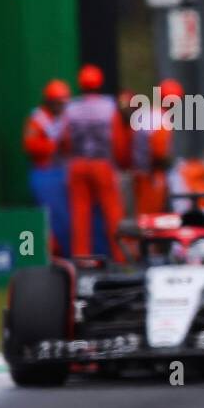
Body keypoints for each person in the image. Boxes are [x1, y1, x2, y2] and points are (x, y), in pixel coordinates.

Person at [63, 64, 128, 261]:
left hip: (78, 163)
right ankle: (121, 256)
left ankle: (81, 259)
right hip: (102, 164)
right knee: (113, 213)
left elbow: (66, 140)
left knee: (80, 215)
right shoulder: (108, 106)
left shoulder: (71, 108)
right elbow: (117, 140)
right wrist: (121, 161)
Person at [22, 79, 73, 256]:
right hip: (44, 174)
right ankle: (50, 254)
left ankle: (68, 253)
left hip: (63, 173)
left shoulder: (66, 118)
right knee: (49, 218)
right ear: (49, 102)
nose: (61, 107)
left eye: (63, 103)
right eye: (58, 103)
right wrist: (52, 146)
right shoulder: (38, 118)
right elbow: (29, 144)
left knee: (67, 219)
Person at [130, 78, 181, 215]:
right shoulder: (162, 120)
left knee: (142, 212)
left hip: (139, 171)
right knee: (151, 216)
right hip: (151, 175)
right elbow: (160, 154)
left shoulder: (146, 114)